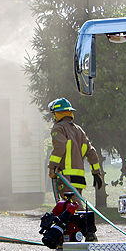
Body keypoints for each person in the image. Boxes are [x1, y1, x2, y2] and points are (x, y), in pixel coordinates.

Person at [46, 97, 103, 242]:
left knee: (72, 207)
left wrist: (52, 167)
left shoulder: (59, 128)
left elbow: (60, 148)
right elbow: (91, 152)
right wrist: (96, 172)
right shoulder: (79, 130)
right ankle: (70, 237)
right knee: (72, 206)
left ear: (57, 114)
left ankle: (89, 233)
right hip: (79, 177)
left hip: (66, 176)